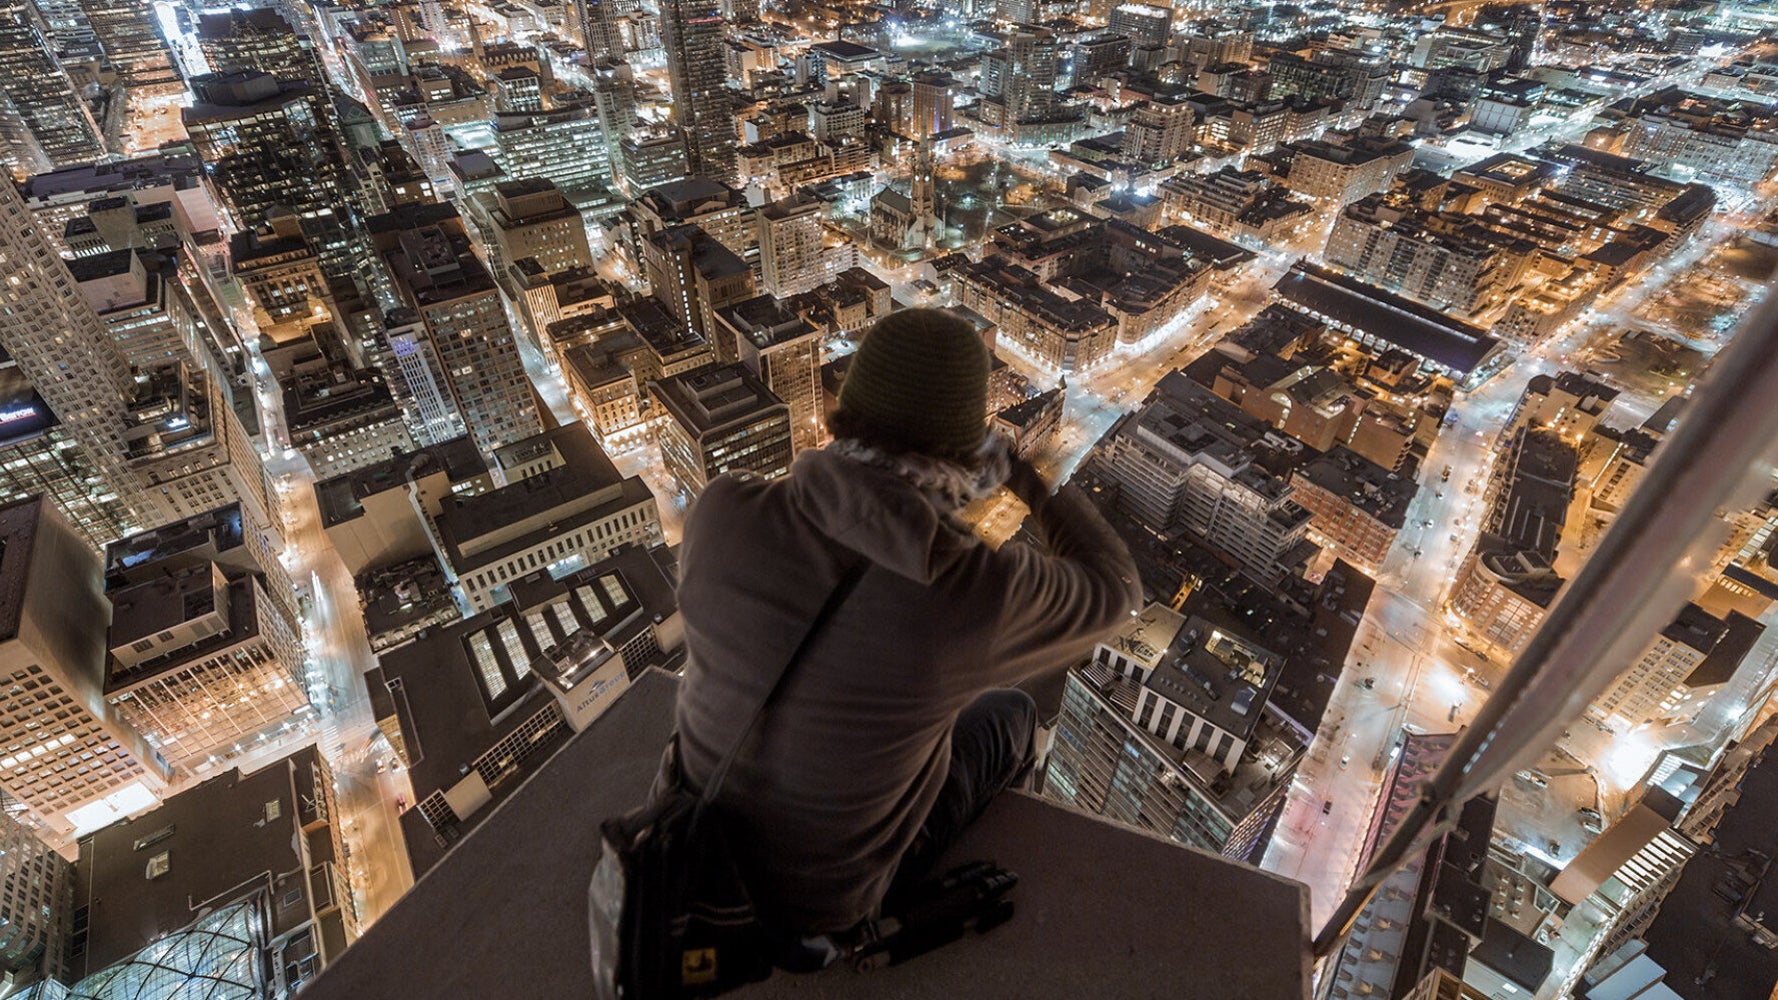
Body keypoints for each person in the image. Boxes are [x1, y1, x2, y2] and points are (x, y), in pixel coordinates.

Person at [671, 307, 1141, 949]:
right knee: (1006, 715)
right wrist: (1025, 474)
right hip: (822, 909)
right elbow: (1117, 590)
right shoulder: (965, 596)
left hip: (687, 848)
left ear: (845, 417)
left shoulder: (719, 511)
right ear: (962, 455)